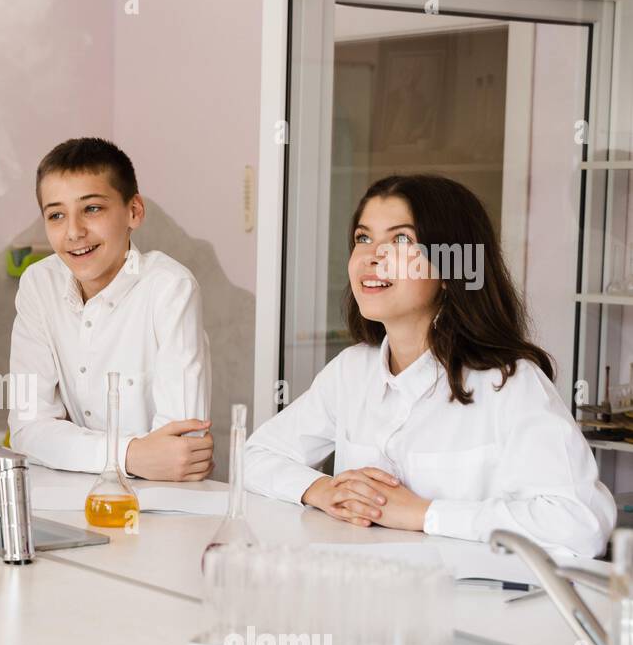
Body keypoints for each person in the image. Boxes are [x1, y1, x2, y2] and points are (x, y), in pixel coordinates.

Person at [244, 174, 614, 557]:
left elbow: (581, 524)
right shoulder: (351, 371)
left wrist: (425, 514)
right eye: (363, 238)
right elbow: (256, 456)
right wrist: (322, 491)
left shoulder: (510, 382)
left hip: (473, 609)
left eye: (401, 240)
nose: (373, 256)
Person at [7, 137, 213, 480]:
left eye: (92, 209)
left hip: (160, 505)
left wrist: (70, 446)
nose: (74, 232)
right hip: (71, 495)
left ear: (134, 212)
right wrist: (131, 455)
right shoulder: (38, 284)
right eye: (56, 215)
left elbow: (181, 452)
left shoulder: (170, 288)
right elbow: (27, 430)